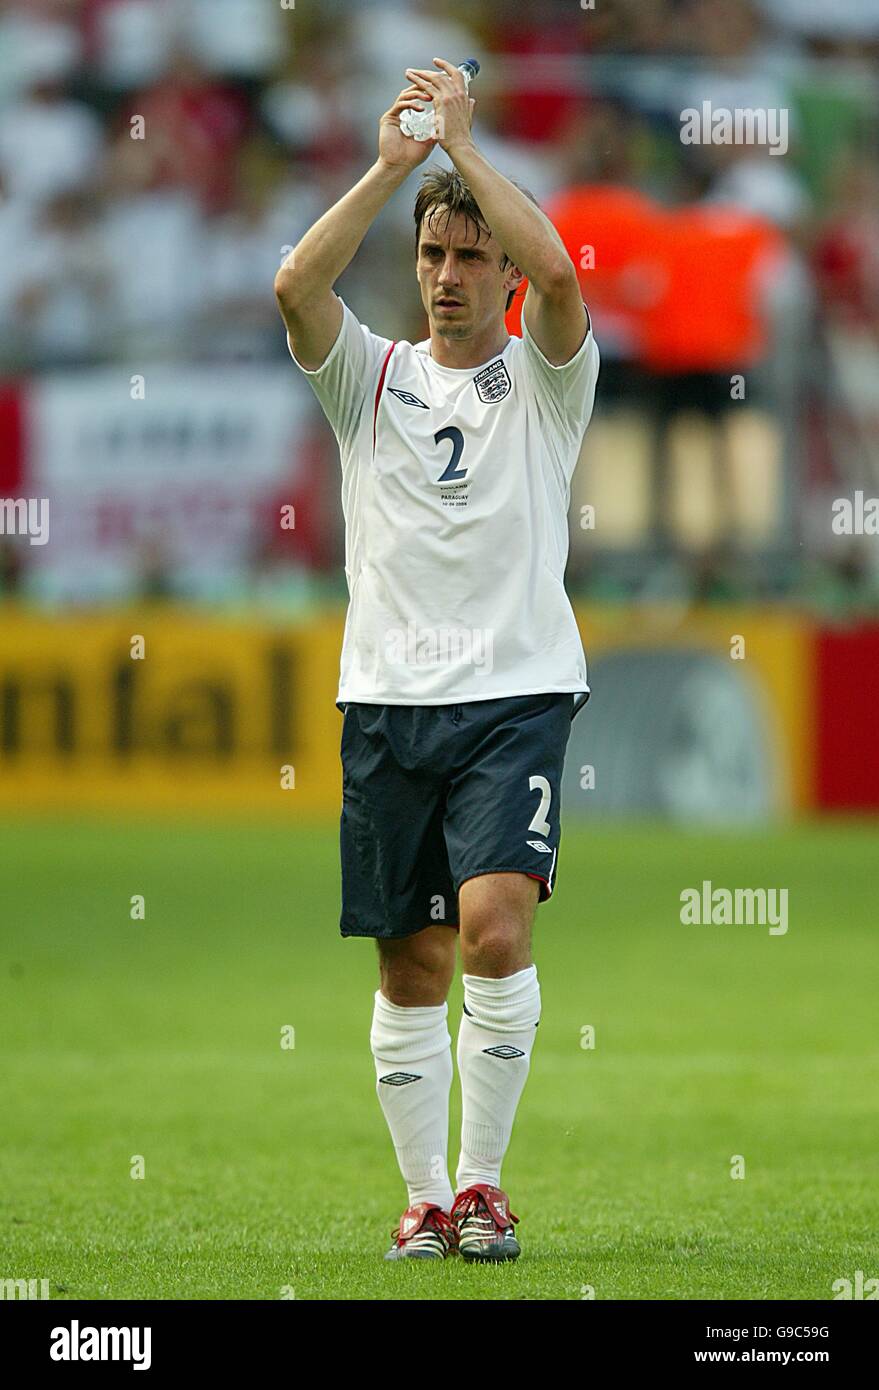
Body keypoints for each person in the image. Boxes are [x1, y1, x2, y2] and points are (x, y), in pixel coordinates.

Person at [274, 57, 599, 1263]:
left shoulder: (548, 383)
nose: (450, 276)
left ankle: (481, 1183)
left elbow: (564, 271)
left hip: (514, 693)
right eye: (433, 258)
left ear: (501, 272)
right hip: (388, 699)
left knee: (495, 930)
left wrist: (465, 151)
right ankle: (419, 1197)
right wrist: (392, 168)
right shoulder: (371, 379)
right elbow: (296, 281)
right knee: (409, 962)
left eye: (470, 257)